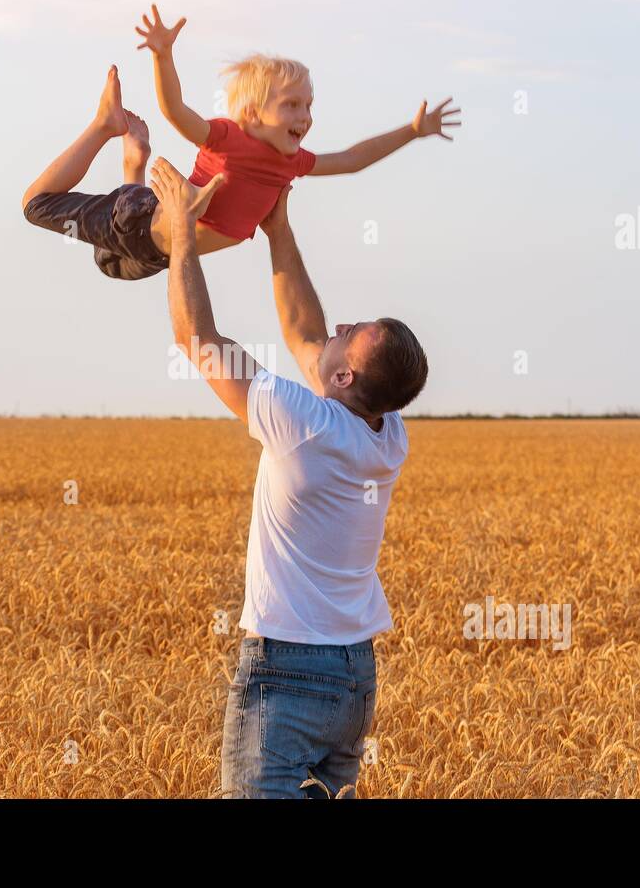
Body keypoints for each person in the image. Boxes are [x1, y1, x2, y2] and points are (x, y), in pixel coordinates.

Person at [144, 155, 428, 799]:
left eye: (354, 334)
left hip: (290, 671)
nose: (341, 325)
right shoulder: (386, 433)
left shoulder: (308, 422)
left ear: (346, 378)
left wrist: (185, 236)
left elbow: (198, 338)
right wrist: (278, 229)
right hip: (353, 675)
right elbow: (305, 333)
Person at [21, 5, 460, 280]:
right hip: (139, 224)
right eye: (291, 105)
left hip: (160, 258)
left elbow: (351, 160)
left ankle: (134, 162)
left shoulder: (291, 162)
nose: (304, 117)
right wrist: (163, 56)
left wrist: (412, 131)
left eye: (309, 106)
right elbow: (176, 111)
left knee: (106, 264)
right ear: (252, 115)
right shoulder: (227, 139)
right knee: (36, 204)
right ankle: (104, 125)